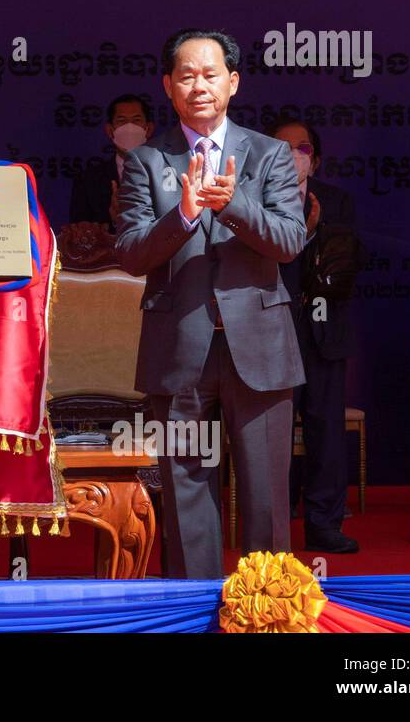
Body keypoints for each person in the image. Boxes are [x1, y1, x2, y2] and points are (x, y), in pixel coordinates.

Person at [115, 29, 306, 579]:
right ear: (169, 87)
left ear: (233, 82)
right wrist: (185, 216)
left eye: (210, 73)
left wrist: (235, 205)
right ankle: (193, 609)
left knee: (266, 495)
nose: (199, 85)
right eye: (187, 75)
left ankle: (266, 610)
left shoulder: (269, 155)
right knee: (184, 492)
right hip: (181, 351)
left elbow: (290, 242)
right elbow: (129, 253)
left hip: (260, 348)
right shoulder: (147, 162)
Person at [271, 119, 360, 554]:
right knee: (274, 432)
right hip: (271, 334)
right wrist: (300, 237)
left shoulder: (338, 203)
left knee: (325, 430)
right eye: (282, 148)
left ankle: (324, 524)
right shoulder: (255, 202)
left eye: (301, 147)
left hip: (324, 332)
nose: (293, 155)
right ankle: (275, 524)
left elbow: (338, 272)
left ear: (316, 159)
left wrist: (308, 244)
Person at [68, 94, 154, 230]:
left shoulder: (165, 173)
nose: (129, 128)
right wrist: (116, 221)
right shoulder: (88, 180)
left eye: (136, 120)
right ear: (110, 130)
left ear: (148, 129)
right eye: (122, 121)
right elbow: (80, 234)